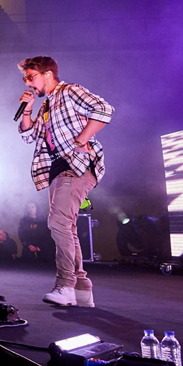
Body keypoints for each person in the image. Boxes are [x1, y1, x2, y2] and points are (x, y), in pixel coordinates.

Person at [17, 55, 113, 308]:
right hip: (58, 169)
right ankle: (82, 289)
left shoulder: (70, 91)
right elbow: (28, 135)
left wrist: (82, 139)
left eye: (31, 77)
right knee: (67, 227)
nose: (27, 83)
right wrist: (27, 108)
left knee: (58, 222)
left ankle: (66, 285)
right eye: (25, 78)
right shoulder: (46, 105)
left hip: (77, 165)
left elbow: (104, 109)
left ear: (48, 74)